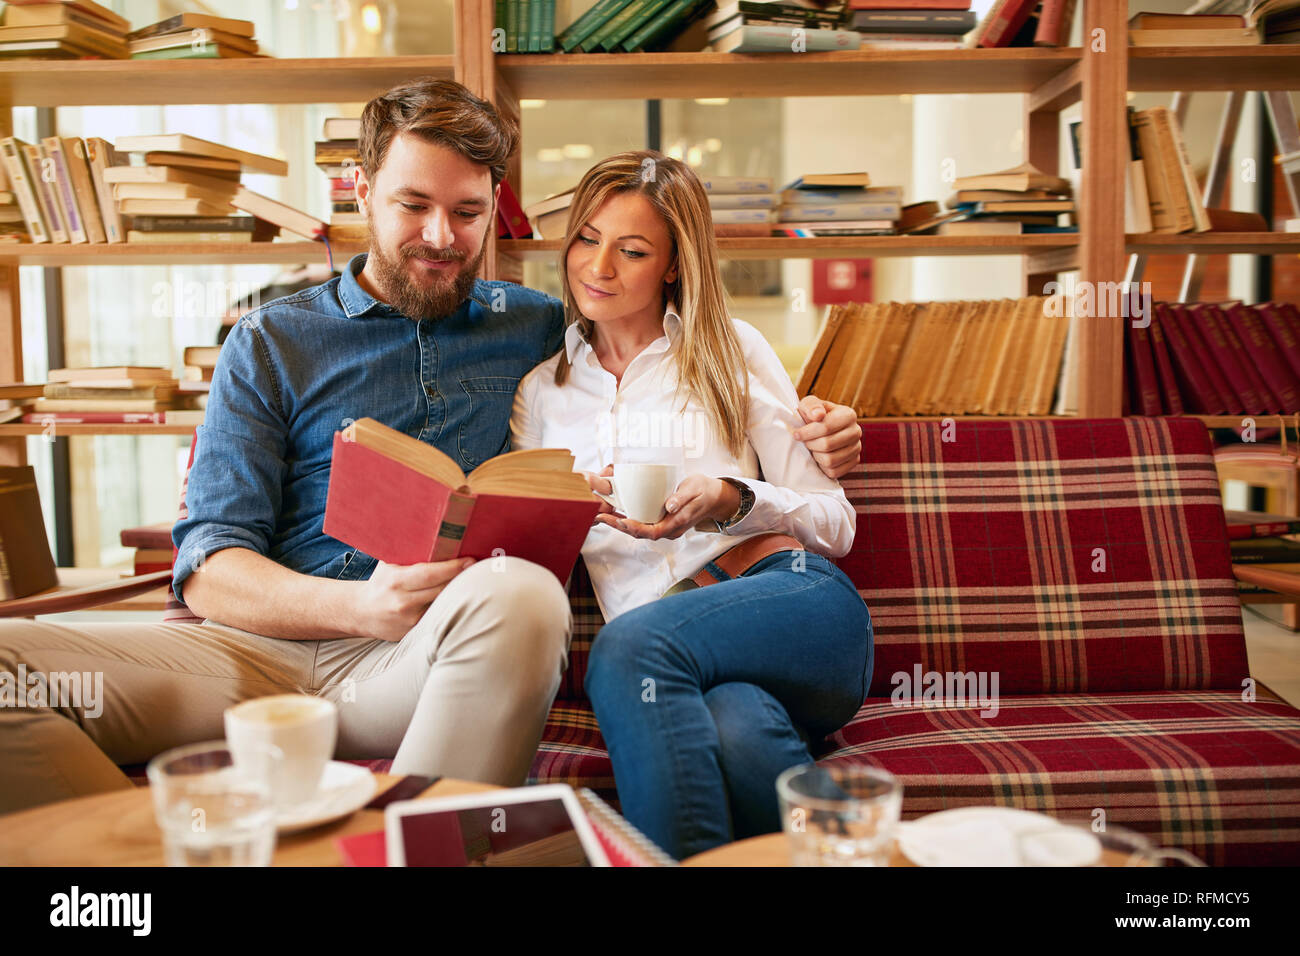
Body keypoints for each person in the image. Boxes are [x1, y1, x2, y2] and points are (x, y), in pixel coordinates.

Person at [0, 78, 863, 815]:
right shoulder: (269, 341)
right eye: (414, 205)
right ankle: (136, 853)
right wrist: (355, 608)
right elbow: (211, 564)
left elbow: (664, 354)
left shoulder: (538, 332)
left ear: (495, 211)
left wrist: (820, 427)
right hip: (252, 655)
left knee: (524, 594)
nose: (442, 237)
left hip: (429, 656)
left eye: (467, 212)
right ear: (362, 188)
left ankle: (427, 845)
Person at [510, 150, 873, 860]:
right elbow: (528, 565)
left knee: (627, 648)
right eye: (587, 237)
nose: (599, 266)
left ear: (674, 264)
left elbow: (837, 523)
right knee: (737, 727)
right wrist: (558, 512)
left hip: (795, 604)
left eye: (633, 249)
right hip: (684, 668)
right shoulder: (541, 393)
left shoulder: (729, 350)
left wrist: (733, 498)